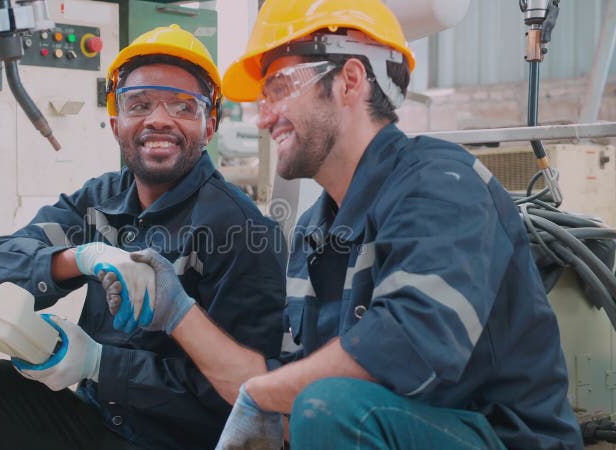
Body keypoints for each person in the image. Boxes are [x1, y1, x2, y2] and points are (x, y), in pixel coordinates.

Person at [101, 1, 584, 448]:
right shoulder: (314, 231)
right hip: (389, 429)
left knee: (325, 406)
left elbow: (407, 346)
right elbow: (289, 386)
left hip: (501, 439)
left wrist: (267, 393)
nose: (264, 117)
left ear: (350, 80)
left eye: (279, 89)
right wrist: (177, 311)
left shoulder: (443, 183)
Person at [0, 24, 287, 450]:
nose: (159, 119)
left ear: (209, 127)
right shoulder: (99, 201)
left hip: (169, 440)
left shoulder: (242, 232)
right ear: (116, 124)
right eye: (140, 104)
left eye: (184, 107)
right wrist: (82, 258)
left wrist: (98, 364)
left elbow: (239, 400)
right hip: (89, 420)